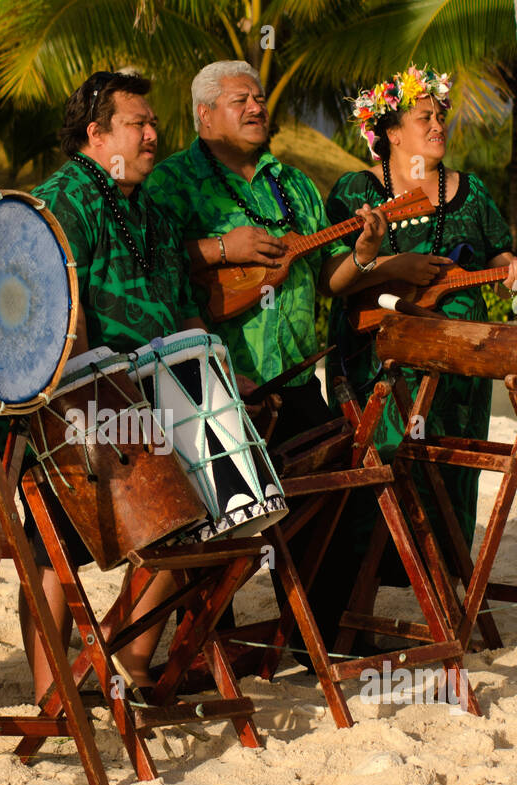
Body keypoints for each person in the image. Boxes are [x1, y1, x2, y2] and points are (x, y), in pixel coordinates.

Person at [143, 61, 386, 657]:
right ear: (204, 116)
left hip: (298, 374)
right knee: (225, 519)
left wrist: (366, 251)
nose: (256, 107)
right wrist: (224, 248)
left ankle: (321, 642)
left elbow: (329, 279)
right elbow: (153, 261)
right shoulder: (170, 184)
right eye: (239, 100)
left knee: (332, 496)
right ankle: (199, 651)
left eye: (258, 98)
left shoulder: (293, 184)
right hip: (220, 385)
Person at [17, 70, 211, 698]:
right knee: (55, 548)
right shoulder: (61, 201)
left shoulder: (150, 209)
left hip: (157, 396)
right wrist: (81, 403)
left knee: (202, 513)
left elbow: (182, 309)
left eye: (154, 122)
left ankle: (126, 657)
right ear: (97, 133)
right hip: (71, 403)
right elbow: (42, 311)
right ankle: (55, 695)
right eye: (139, 123)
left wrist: (205, 380)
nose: (154, 133)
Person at [322, 65, 517, 629]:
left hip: (459, 360)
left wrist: (511, 269)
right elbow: (335, 275)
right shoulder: (356, 192)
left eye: (441, 114)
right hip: (377, 359)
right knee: (378, 472)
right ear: (392, 131)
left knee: (449, 470)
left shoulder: (472, 193)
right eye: (426, 116)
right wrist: (395, 265)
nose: (439, 123)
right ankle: (355, 617)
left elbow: (493, 255)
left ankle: (443, 611)